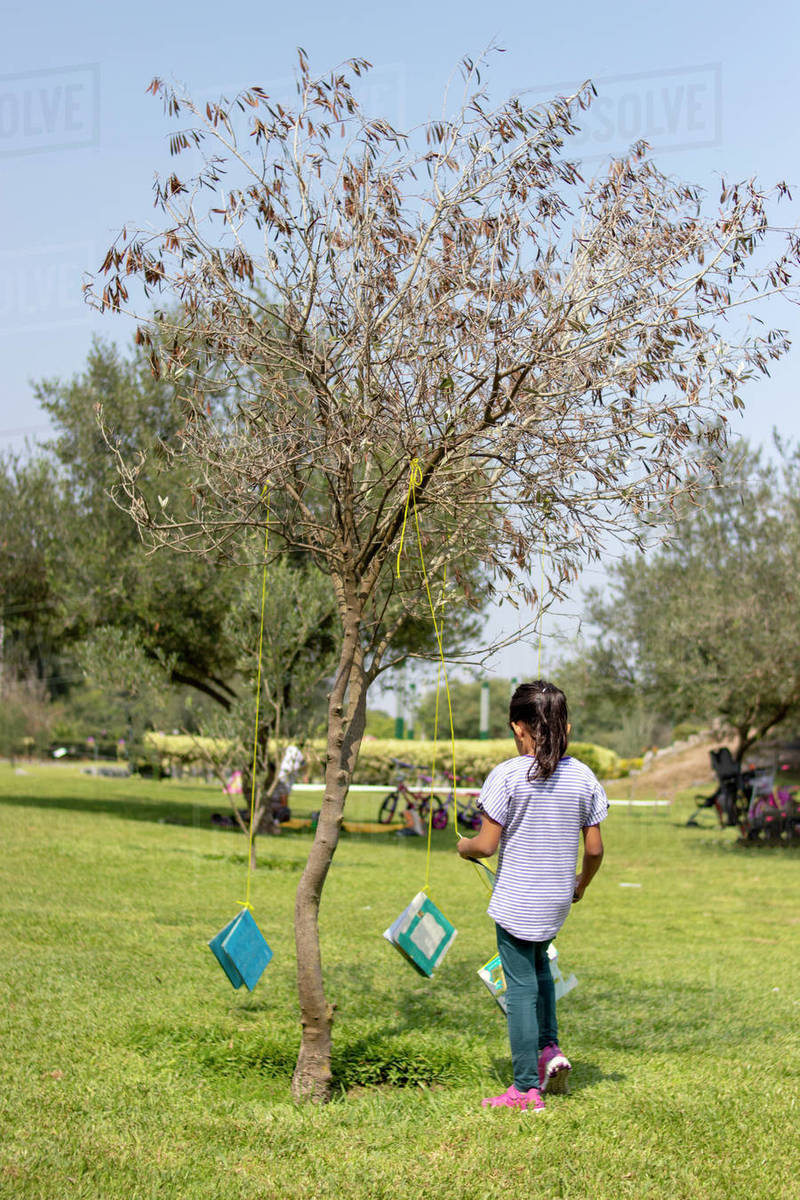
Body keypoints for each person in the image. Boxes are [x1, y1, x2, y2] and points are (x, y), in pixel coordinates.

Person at [457, 680, 607, 1113]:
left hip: (516, 903)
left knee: (520, 989)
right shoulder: (583, 777)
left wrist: (463, 846)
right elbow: (594, 850)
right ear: (567, 727)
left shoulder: (506, 776)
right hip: (557, 901)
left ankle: (525, 1090)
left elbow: (485, 845)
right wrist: (581, 884)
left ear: (518, 729)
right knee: (541, 969)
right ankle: (548, 1049)